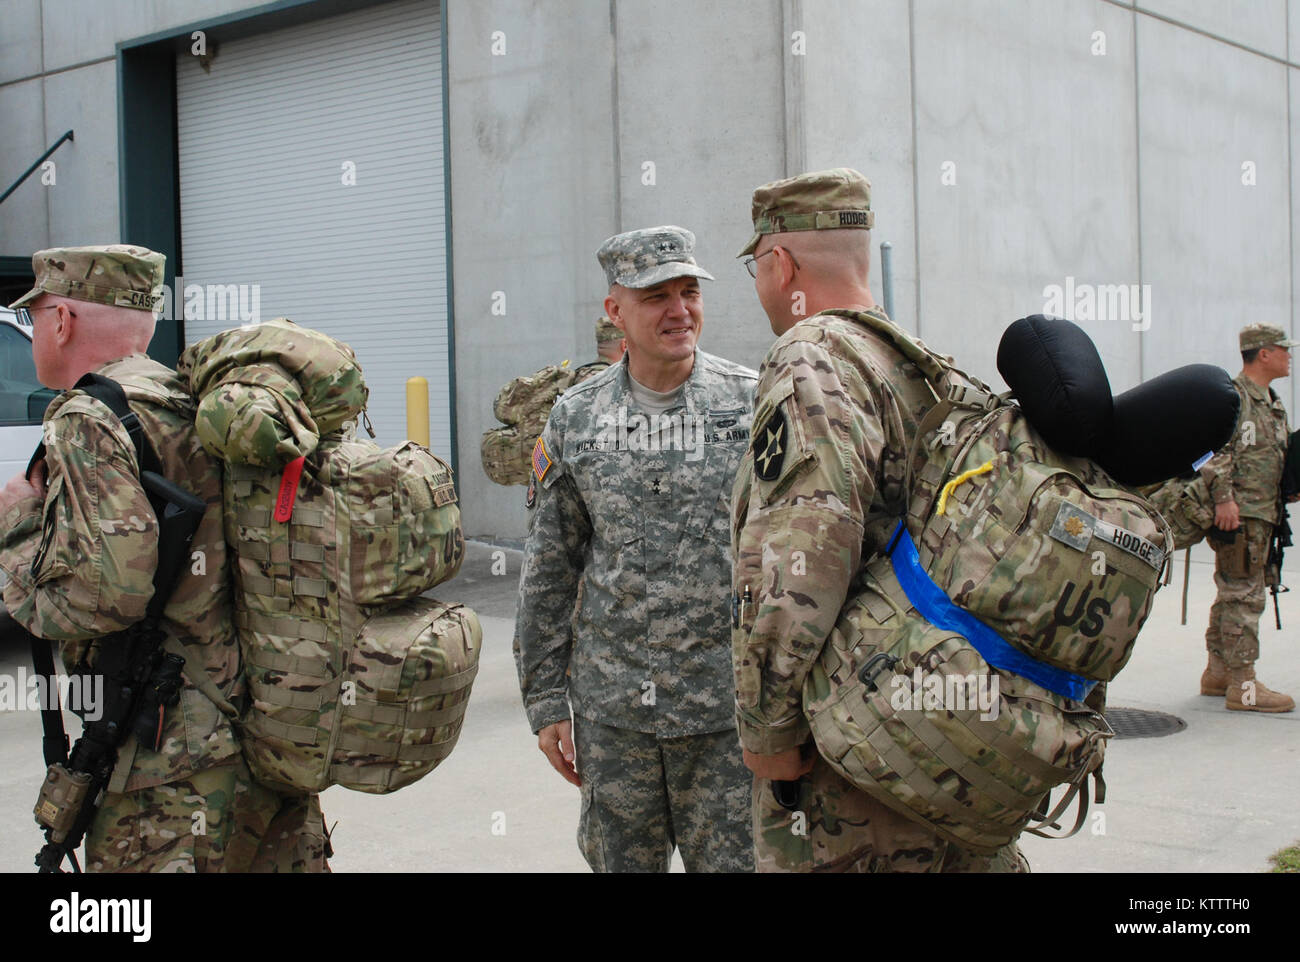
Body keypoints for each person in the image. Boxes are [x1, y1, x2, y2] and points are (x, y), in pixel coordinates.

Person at [730, 168, 1028, 872]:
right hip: (949, 736)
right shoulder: (928, 370)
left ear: (780, 263)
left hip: (853, 754)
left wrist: (768, 724)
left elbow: (802, 553)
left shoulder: (810, 358)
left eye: (755, 265)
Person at [0, 245, 328, 872]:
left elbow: (103, 599)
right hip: (267, 730)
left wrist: (16, 525)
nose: (36, 329)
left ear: (62, 320)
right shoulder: (202, 401)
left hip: (169, 765)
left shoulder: (90, 417)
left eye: (35, 315)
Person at [514, 226, 757, 872]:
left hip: (726, 715)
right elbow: (549, 568)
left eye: (689, 292)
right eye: (656, 297)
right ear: (615, 310)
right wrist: (545, 701)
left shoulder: (751, 402)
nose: (680, 311)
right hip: (616, 715)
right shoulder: (576, 418)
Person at [1199, 324, 1296, 712]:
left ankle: (1218, 673)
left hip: (1262, 512)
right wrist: (1224, 499)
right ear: (1264, 354)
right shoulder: (1234, 398)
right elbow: (1210, 450)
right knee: (1244, 597)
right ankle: (1244, 686)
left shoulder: (1272, 402)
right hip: (1239, 514)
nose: (1290, 356)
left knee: (1232, 591)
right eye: (1283, 349)